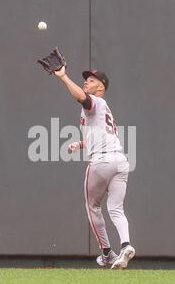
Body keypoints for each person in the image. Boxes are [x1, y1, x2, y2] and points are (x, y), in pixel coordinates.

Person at [54, 65, 135, 269]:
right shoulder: (103, 107)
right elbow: (102, 135)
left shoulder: (95, 101)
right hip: (120, 161)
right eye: (87, 79)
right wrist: (80, 144)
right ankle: (126, 245)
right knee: (116, 209)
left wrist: (63, 77)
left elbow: (81, 97)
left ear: (101, 88)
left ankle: (107, 253)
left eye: (92, 80)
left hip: (101, 162)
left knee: (93, 207)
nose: (87, 81)